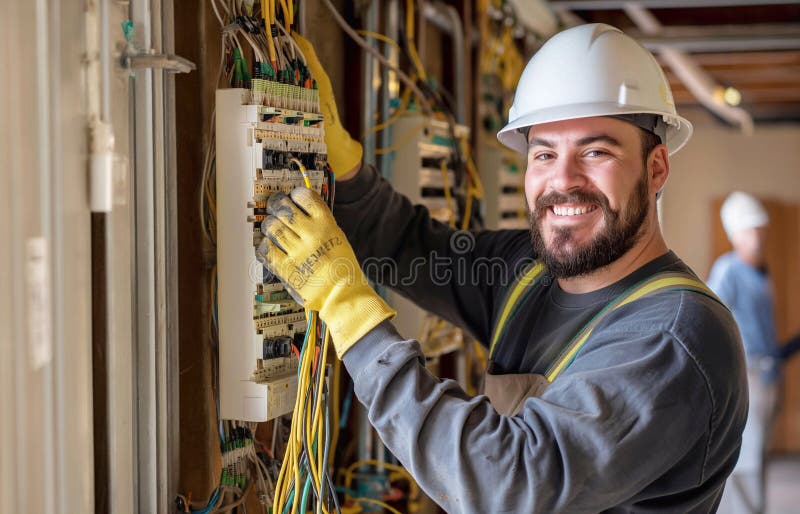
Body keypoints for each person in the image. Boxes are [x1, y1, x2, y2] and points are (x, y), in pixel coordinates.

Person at [258, 24, 747, 512]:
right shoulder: (527, 272)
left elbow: (506, 486)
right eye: (544, 153)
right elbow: (408, 245)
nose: (564, 180)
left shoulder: (675, 337)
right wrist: (342, 165)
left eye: (596, 152)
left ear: (657, 167)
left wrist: (349, 311)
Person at [708, 192, 779, 514]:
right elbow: (710, 319)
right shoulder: (728, 270)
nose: (757, 237)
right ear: (735, 234)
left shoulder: (764, 272)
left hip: (769, 372)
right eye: (750, 230)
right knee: (746, 455)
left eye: (760, 229)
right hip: (746, 373)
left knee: (761, 450)